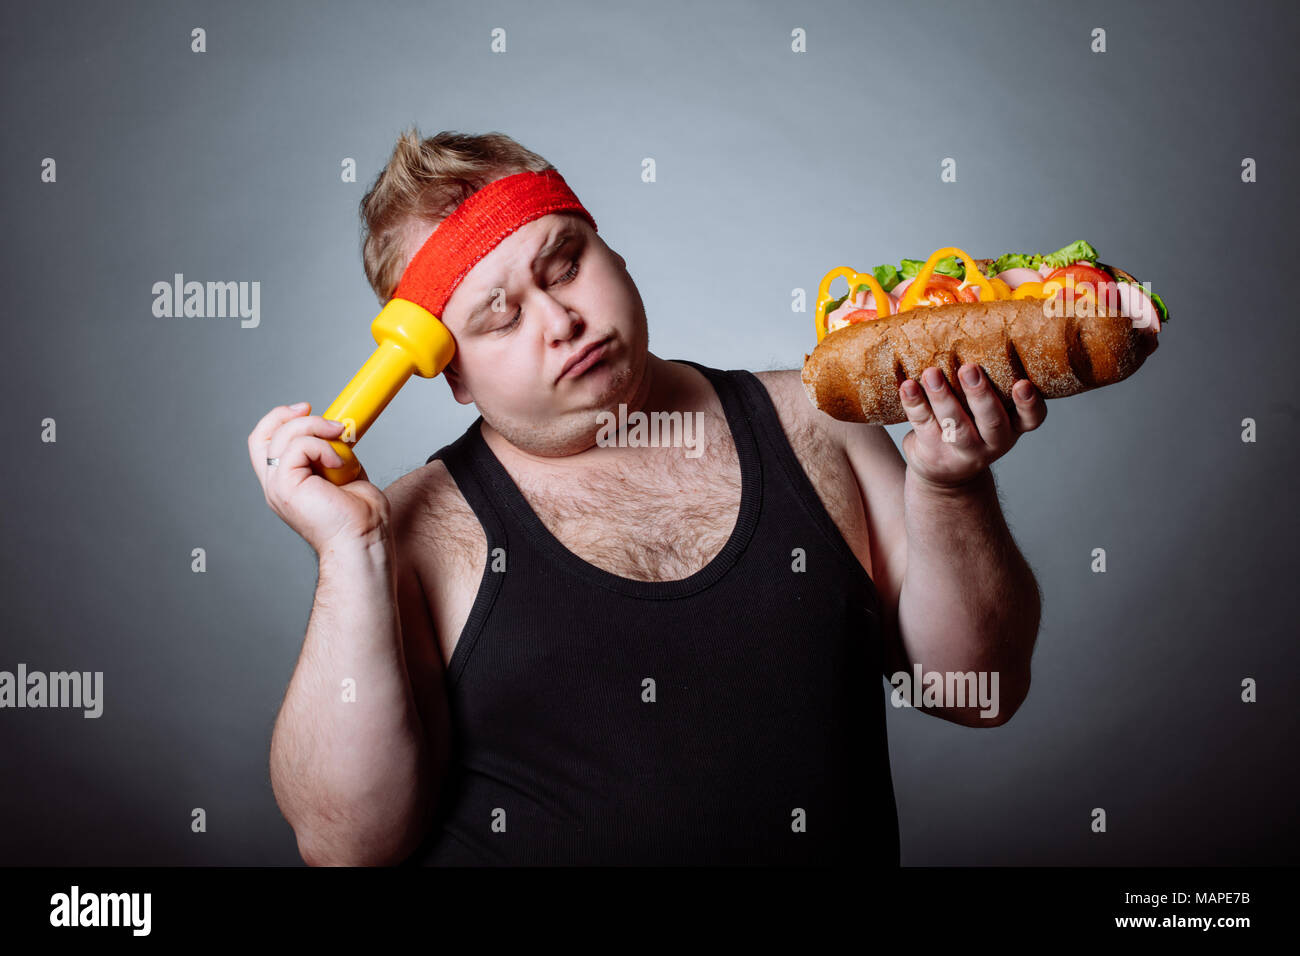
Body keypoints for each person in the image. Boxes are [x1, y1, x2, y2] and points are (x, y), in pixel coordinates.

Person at [247, 128, 1044, 866]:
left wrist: (951, 485)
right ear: (451, 373)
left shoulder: (816, 420)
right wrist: (351, 555)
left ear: (613, 253)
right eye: (499, 316)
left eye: (564, 264)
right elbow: (348, 846)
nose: (560, 320)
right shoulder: (415, 529)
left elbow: (980, 693)